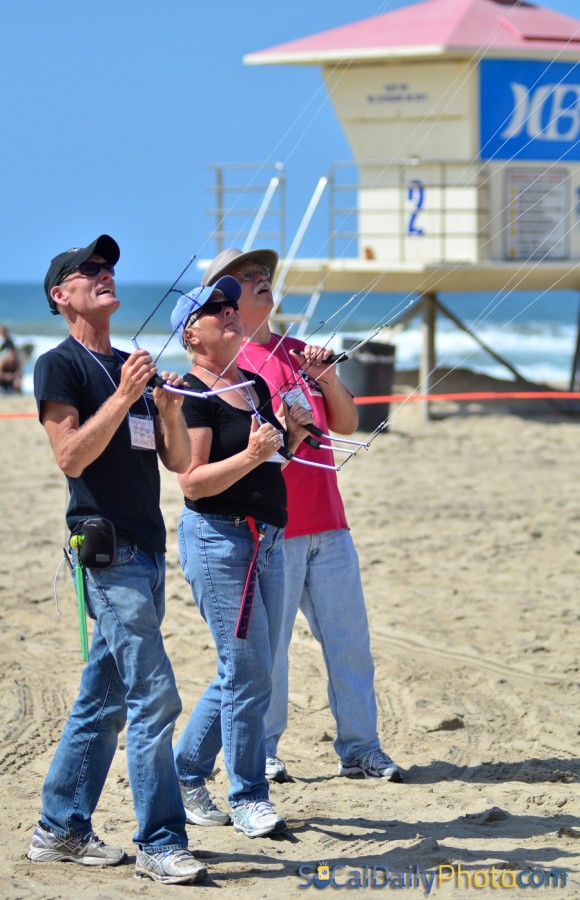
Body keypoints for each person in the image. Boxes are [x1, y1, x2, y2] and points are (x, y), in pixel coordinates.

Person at [28, 235, 207, 885]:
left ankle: (60, 827)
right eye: (90, 271)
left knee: (103, 701)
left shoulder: (136, 368)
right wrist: (123, 391)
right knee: (154, 697)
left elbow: (179, 460)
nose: (106, 276)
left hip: (149, 550)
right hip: (107, 554)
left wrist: (165, 406)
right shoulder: (59, 365)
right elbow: (70, 456)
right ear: (61, 294)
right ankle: (160, 841)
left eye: (109, 269)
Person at [201, 248, 404, 784]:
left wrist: (329, 378)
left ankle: (360, 748)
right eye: (246, 277)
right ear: (221, 299)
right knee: (271, 653)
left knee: (349, 642)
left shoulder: (296, 351)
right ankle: (264, 752)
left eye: (263, 274)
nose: (261, 280)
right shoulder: (228, 368)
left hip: (329, 521)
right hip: (272, 526)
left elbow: (347, 423)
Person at [170, 275, 312, 838]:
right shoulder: (193, 393)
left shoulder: (252, 384)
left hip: (266, 538)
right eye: (215, 310)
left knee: (249, 669)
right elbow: (193, 482)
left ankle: (185, 770)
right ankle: (249, 794)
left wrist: (293, 439)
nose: (229, 313)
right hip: (220, 539)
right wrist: (256, 455)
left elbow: (270, 461)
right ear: (191, 334)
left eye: (232, 306)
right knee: (250, 673)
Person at [0, 324, 23, 393]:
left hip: (9, 365)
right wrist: (6, 376)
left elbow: (19, 371)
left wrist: (14, 376)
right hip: (5, 365)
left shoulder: (9, 342)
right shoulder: (4, 342)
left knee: (17, 380)